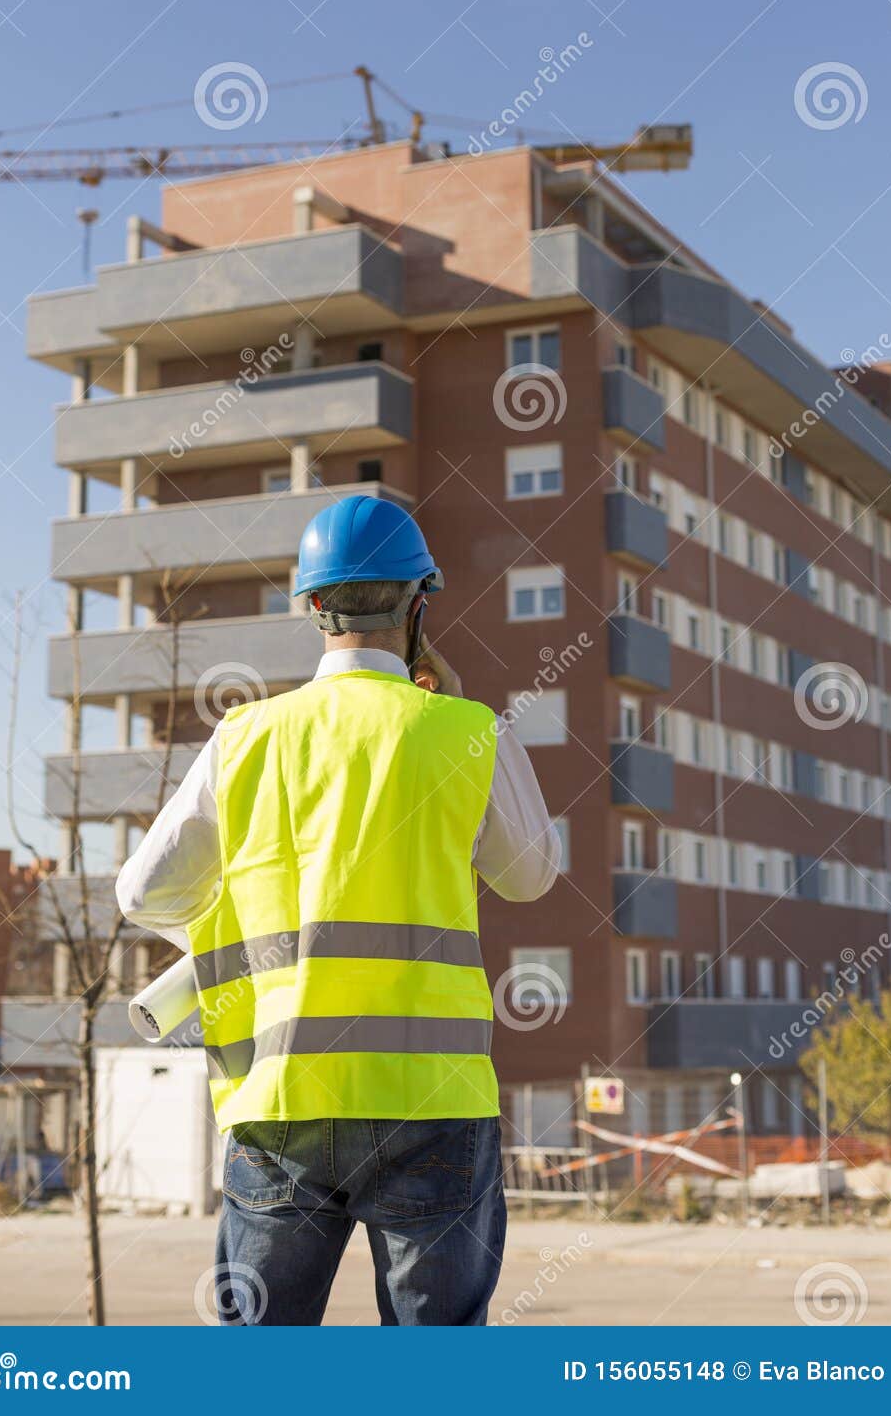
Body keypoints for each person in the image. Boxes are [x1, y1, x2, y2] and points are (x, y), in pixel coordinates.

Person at [116, 495, 561, 1326]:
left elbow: (143, 895)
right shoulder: (466, 730)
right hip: (433, 1099)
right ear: (418, 601)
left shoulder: (246, 737)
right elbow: (530, 875)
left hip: (282, 1097)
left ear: (312, 606)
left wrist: (240, 926)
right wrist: (458, 719)